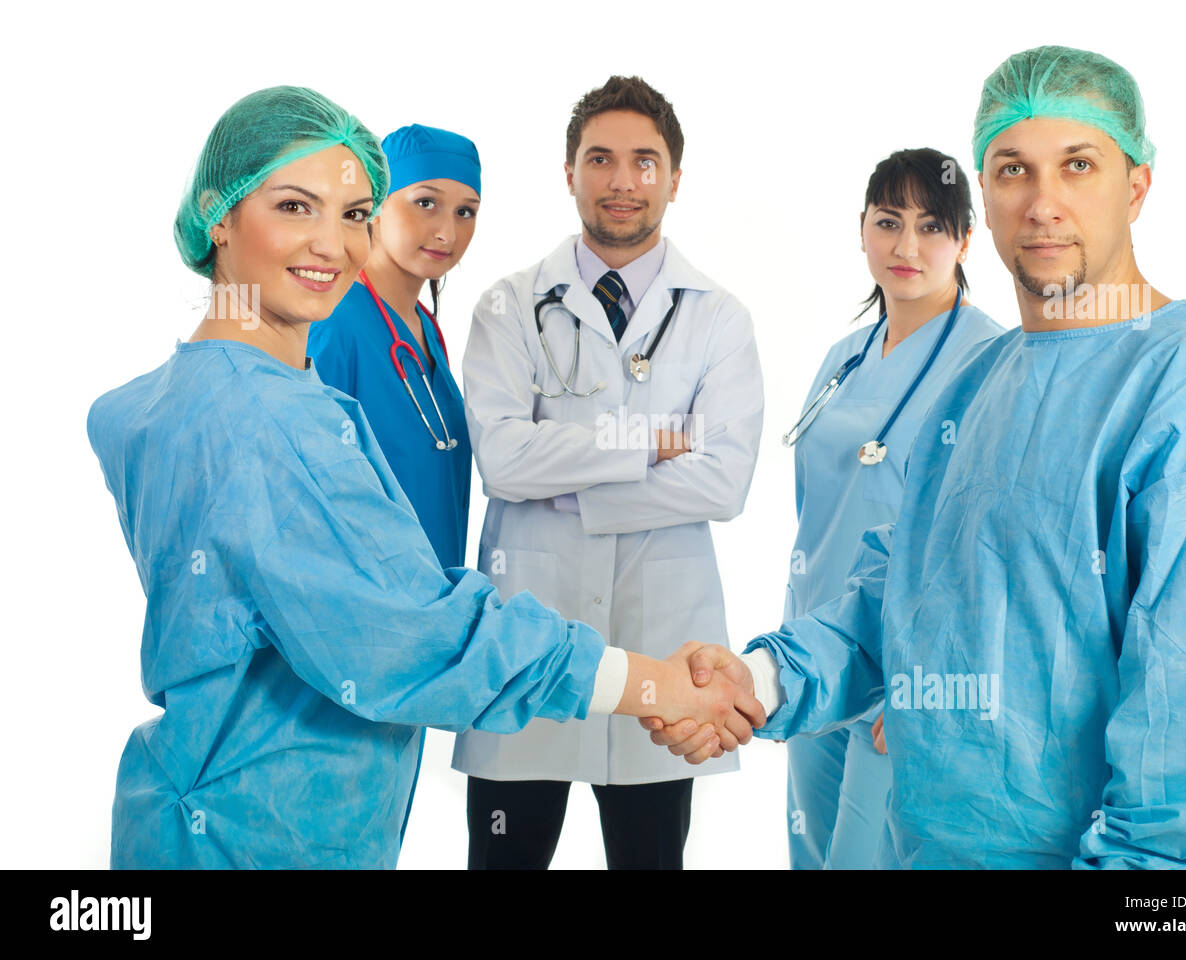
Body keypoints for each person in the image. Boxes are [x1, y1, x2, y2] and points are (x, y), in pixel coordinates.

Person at [646, 45, 1186, 869]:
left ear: (1136, 186)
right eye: (1014, 170)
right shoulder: (972, 387)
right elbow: (899, 596)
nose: (1043, 204)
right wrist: (762, 680)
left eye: (1079, 166)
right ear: (985, 199)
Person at [86, 85, 762, 869]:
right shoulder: (275, 422)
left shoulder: (204, 394)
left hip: (249, 788)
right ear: (218, 214)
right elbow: (410, 632)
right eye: (295, 207)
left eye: (353, 214)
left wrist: (563, 470)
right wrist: (660, 686)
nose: (335, 246)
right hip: (259, 824)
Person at [453, 75, 764, 869]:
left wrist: (562, 479)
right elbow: (500, 459)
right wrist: (651, 440)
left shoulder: (720, 318)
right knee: (502, 860)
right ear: (569, 172)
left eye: (644, 161)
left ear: (675, 177)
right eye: (600, 159)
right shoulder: (508, 306)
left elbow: (723, 484)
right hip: (529, 638)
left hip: (665, 646)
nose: (622, 182)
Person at [782, 149, 1003, 870]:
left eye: (932, 227)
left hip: (902, 675)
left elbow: (988, 548)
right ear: (863, 230)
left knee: (861, 859)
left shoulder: (992, 363)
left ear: (965, 241)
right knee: (810, 853)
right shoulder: (845, 357)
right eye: (888, 222)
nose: (906, 247)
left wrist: (919, 681)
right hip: (814, 649)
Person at [308, 124, 479, 569]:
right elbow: (307, 500)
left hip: (438, 604)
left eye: (466, 212)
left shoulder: (426, 331)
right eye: (426, 203)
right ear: (375, 207)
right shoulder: (333, 323)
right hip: (368, 613)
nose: (447, 232)